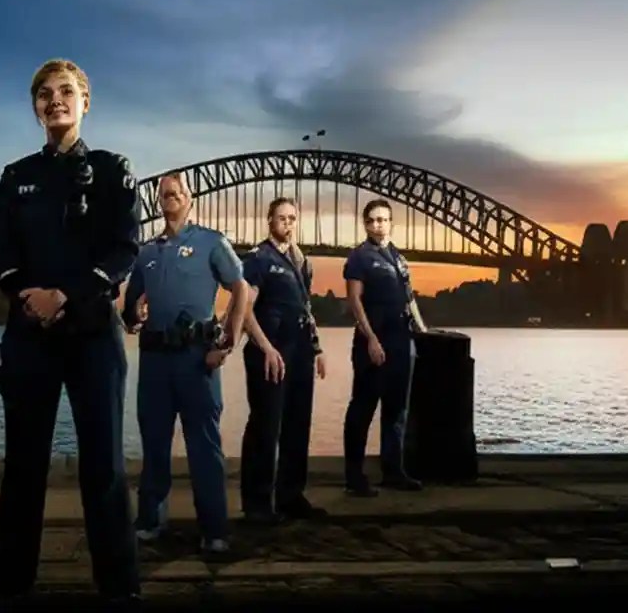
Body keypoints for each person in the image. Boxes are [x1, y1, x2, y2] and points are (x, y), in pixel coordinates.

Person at [0, 58, 141, 607]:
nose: (56, 100)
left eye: (67, 92)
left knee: (104, 469)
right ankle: (10, 586)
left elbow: (123, 247)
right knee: (22, 467)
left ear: (85, 102)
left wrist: (67, 297)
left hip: (93, 336)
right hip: (28, 336)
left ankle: (119, 587)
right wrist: (28, 295)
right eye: (45, 94)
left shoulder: (112, 168)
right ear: (35, 107)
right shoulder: (16, 175)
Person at [121, 172, 248, 553]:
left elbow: (241, 288)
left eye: (177, 191)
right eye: (164, 193)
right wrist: (132, 316)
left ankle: (215, 531)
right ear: (158, 202)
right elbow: (131, 304)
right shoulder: (145, 252)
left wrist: (228, 340)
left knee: (204, 447)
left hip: (197, 360)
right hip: (156, 362)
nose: (170, 197)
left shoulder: (212, 242)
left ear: (190, 199)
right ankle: (150, 523)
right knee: (155, 445)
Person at [239, 197, 328, 524]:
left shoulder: (302, 261)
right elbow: (244, 309)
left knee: (296, 426)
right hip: (270, 355)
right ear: (269, 220)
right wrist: (266, 347)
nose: (287, 224)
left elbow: (305, 308)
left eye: (292, 218)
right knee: (266, 427)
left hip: (300, 352)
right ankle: (257, 504)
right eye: (281, 218)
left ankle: (291, 496)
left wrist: (316, 349)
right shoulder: (258, 259)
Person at [341, 198, 428, 496]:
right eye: (373, 220)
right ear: (366, 224)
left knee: (396, 410)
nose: (378, 224)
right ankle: (354, 477)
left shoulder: (398, 258)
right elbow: (354, 300)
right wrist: (371, 339)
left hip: (402, 341)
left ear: (392, 223)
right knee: (363, 408)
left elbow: (409, 299)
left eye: (383, 219)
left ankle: (394, 472)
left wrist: (422, 332)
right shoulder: (359, 257)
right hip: (373, 342)